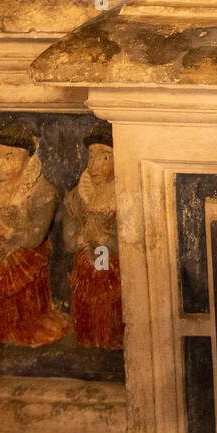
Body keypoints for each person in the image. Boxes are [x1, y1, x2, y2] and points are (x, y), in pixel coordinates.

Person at [0, 122, 71, 346]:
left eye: (9, 156)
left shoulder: (43, 194)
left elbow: (34, 238)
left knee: (28, 320)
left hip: (25, 262)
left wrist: (6, 229)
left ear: (28, 160)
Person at [63, 123, 123, 349]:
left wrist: (105, 239)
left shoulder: (126, 195)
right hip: (85, 268)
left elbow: (139, 242)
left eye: (105, 157)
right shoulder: (77, 197)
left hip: (116, 269)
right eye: (91, 156)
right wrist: (83, 237)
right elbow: (69, 242)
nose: (94, 165)